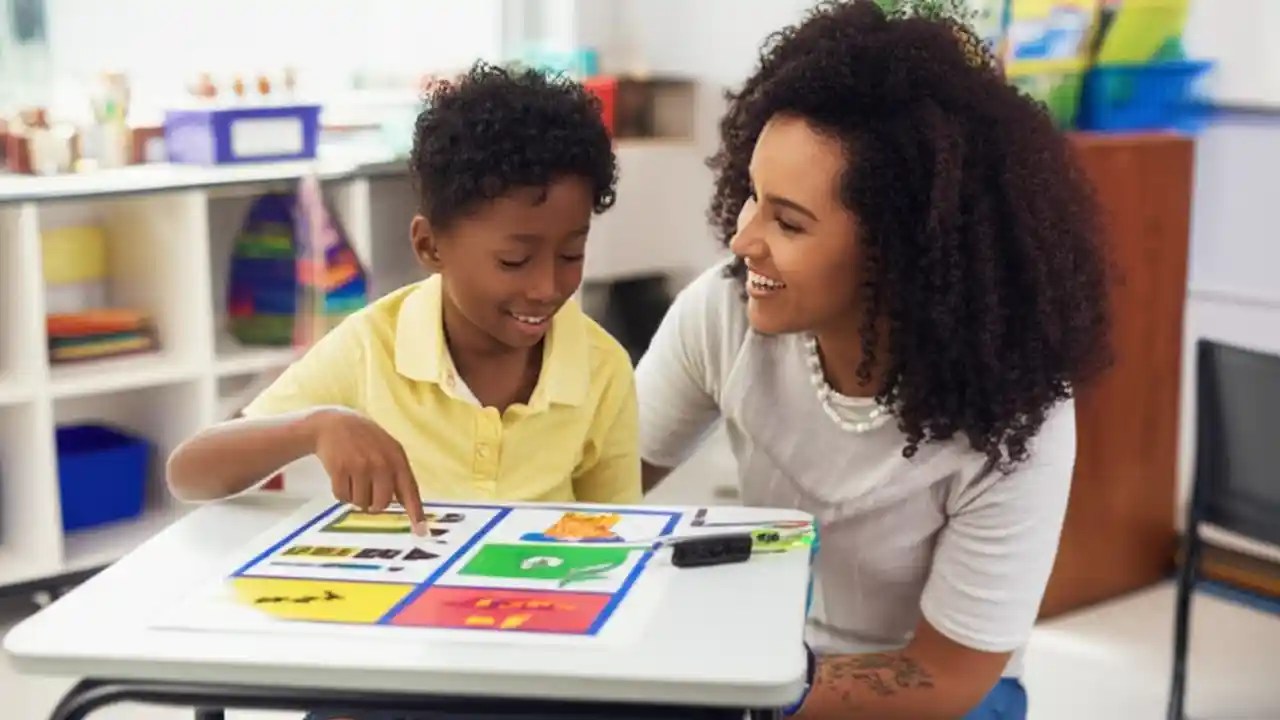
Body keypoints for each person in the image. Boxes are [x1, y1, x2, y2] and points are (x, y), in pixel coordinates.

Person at [636, 2, 1110, 719]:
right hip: (771, 655)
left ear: (898, 255)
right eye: (752, 198)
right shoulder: (724, 313)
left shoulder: (1017, 405)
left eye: (788, 221)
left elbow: (947, 675)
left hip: (939, 691)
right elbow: (587, 484)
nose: (743, 240)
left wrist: (756, 688)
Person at [167, 62, 640, 540]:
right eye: (515, 261)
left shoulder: (603, 368)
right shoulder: (371, 347)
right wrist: (315, 427)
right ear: (430, 247)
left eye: (570, 254)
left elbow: (619, 533)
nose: (547, 286)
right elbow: (189, 473)